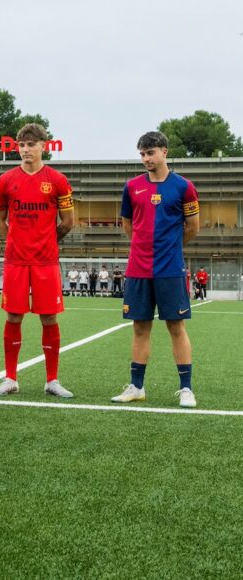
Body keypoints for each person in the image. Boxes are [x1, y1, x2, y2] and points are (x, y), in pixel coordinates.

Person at [111, 131, 200, 408]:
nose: (146, 159)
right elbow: (128, 224)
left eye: (150, 153)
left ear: (164, 152)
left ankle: (186, 389)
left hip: (170, 268)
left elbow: (193, 227)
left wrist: (170, 247)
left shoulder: (184, 187)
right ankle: (136, 386)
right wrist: (144, 247)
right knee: (140, 327)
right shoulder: (132, 187)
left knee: (176, 326)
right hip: (138, 268)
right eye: (142, 154)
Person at [0, 123, 75, 398]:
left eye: (31, 145)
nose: (26, 150)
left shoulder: (58, 181)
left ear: (43, 146)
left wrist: (47, 242)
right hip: (16, 260)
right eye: (22, 145)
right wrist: (14, 242)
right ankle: (10, 378)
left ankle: (52, 380)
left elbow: (67, 222)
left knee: (48, 317)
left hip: (46, 261)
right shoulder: (6, 180)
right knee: (13, 315)